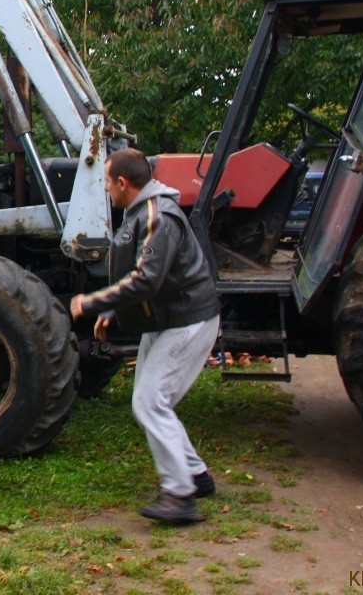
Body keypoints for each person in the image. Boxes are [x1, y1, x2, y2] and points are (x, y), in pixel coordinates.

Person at [70, 147, 221, 524]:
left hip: (187, 320)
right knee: (148, 400)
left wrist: (90, 303)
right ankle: (196, 476)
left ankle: (179, 495)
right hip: (167, 320)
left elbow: (146, 279)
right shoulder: (139, 212)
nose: (105, 188)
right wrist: (110, 310)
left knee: (151, 402)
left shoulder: (158, 215)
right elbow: (134, 269)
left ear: (122, 183)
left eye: (106, 181)